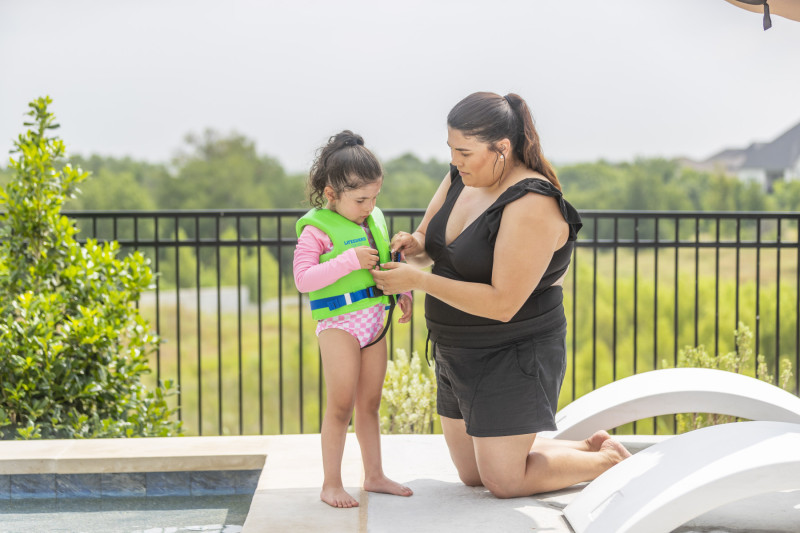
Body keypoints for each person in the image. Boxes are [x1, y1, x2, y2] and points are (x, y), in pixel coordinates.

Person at [371, 92, 631, 498]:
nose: (455, 160)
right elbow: (428, 243)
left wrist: (417, 282)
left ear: (502, 149)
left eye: (464, 151)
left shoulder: (531, 201)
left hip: (511, 352)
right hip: (455, 348)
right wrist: (411, 245)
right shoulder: (463, 176)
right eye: (451, 149)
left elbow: (502, 304)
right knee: (472, 474)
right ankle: (584, 447)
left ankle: (608, 460)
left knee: (503, 482)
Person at [293, 130, 414, 508]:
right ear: (331, 194)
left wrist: (403, 291)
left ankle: (374, 475)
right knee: (341, 405)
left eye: (375, 197)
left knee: (371, 404)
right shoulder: (317, 230)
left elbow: (385, 264)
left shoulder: (373, 217)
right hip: (340, 326)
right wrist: (348, 260)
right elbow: (302, 279)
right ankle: (331, 484)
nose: (370, 206)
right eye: (361, 199)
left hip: (375, 322)